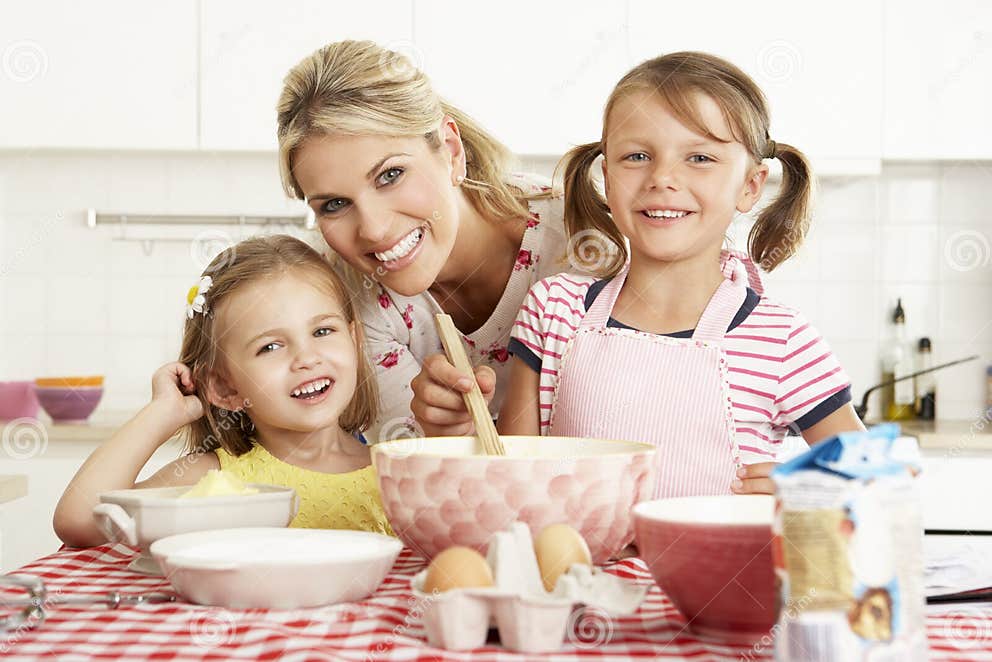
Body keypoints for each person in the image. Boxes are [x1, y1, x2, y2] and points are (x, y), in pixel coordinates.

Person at [497, 52, 864, 497]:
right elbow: (511, 485)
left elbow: (873, 483)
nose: (663, 178)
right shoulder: (553, 311)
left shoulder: (783, 339)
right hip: (578, 570)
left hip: (720, 569)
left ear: (750, 185)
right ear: (608, 179)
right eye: (636, 156)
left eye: (700, 158)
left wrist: (810, 492)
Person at [276, 40, 579, 442]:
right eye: (334, 204)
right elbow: (427, 472)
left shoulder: (580, 242)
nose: (374, 230)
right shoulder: (339, 301)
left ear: (451, 151)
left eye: (390, 175)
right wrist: (436, 436)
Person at [54, 235, 392, 547]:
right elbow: (80, 520)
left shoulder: (400, 472)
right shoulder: (215, 480)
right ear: (223, 387)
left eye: (322, 331)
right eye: (270, 347)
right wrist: (161, 414)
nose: (306, 358)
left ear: (355, 339)